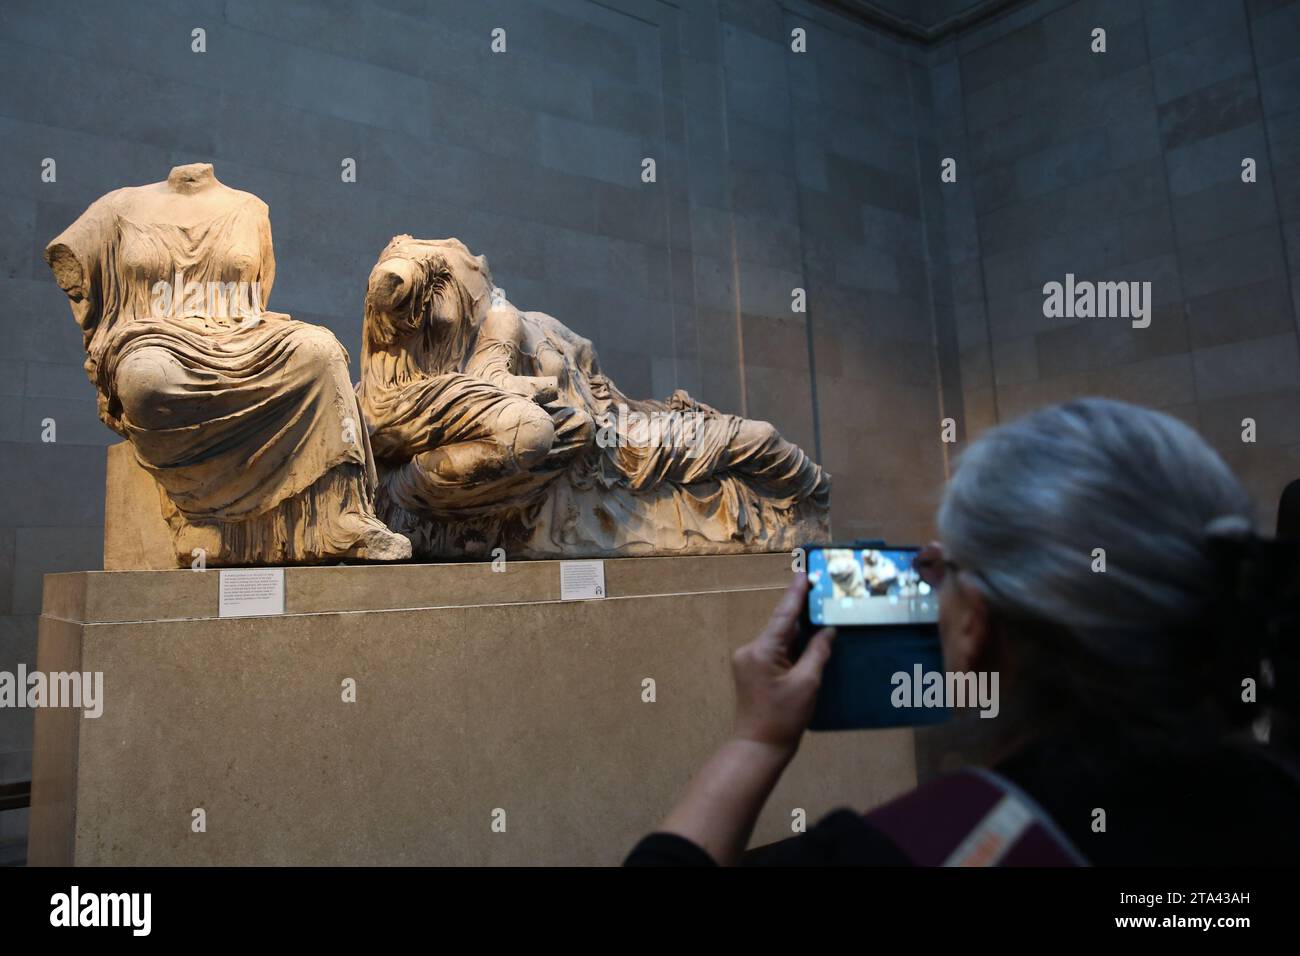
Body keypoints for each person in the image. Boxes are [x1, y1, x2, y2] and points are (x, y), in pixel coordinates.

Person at [626, 398, 1300, 865]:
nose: (927, 576)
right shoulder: (1276, 799)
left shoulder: (906, 852)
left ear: (975, 623)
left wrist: (755, 740)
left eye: (944, 569)